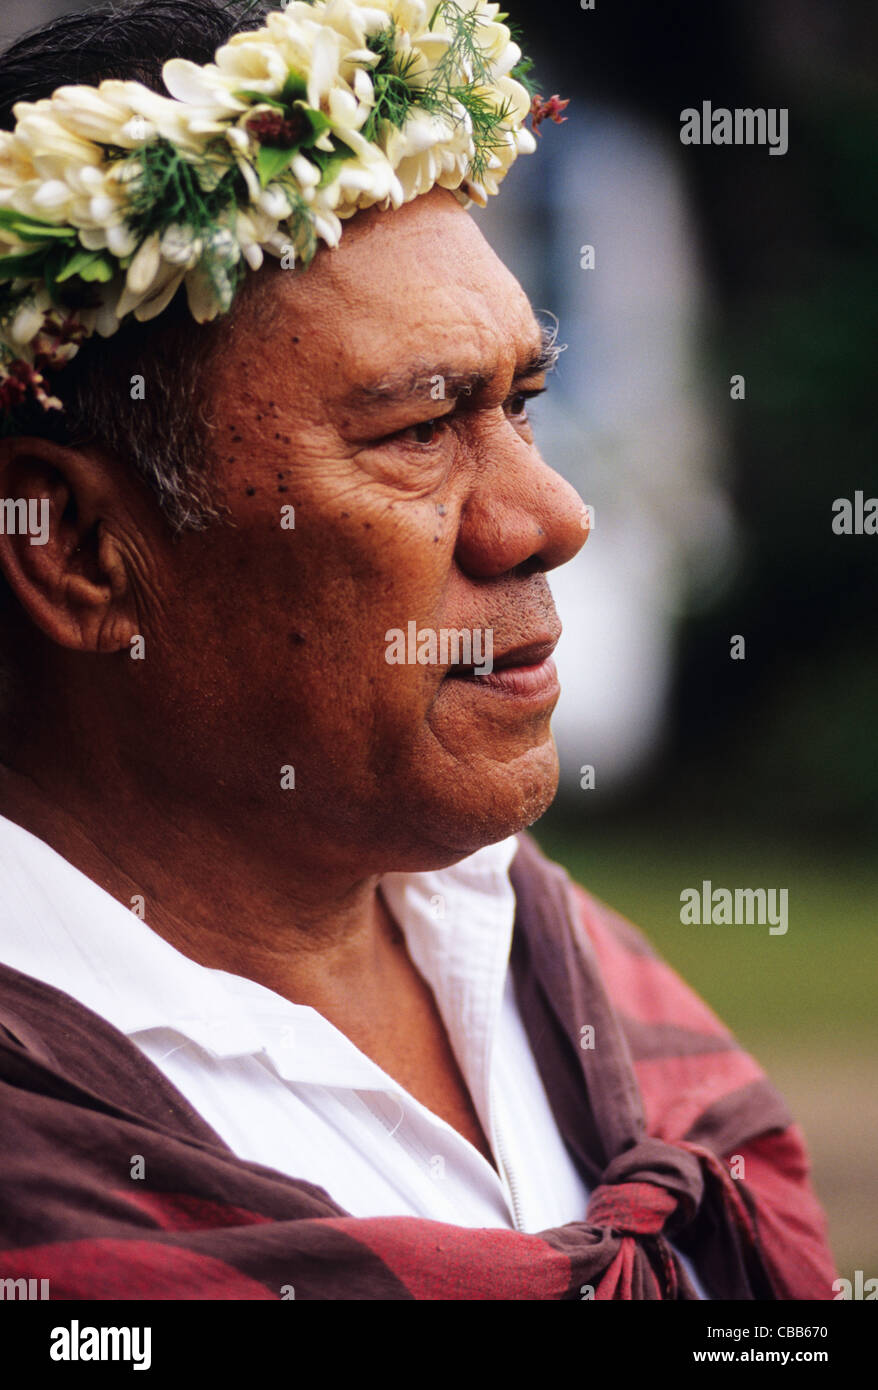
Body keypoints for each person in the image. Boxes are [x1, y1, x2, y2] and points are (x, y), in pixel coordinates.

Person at [0, 0, 835, 1300]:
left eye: (521, 402)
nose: (550, 519)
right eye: (418, 431)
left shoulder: (543, 950)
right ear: (72, 545)